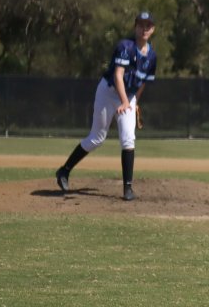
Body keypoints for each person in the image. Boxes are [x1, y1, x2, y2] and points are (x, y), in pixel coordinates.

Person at [55, 11, 158, 202]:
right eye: (141, 24)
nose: (144, 28)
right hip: (108, 92)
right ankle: (64, 170)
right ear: (135, 26)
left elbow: (143, 82)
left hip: (128, 96)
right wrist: (125, 101)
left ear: (152, 29)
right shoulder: (125, 47)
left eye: (148, 25)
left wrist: (134, 102)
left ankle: (128, 188)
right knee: (97, 138)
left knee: (128, 138)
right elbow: (118, 75)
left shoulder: (152, 56)